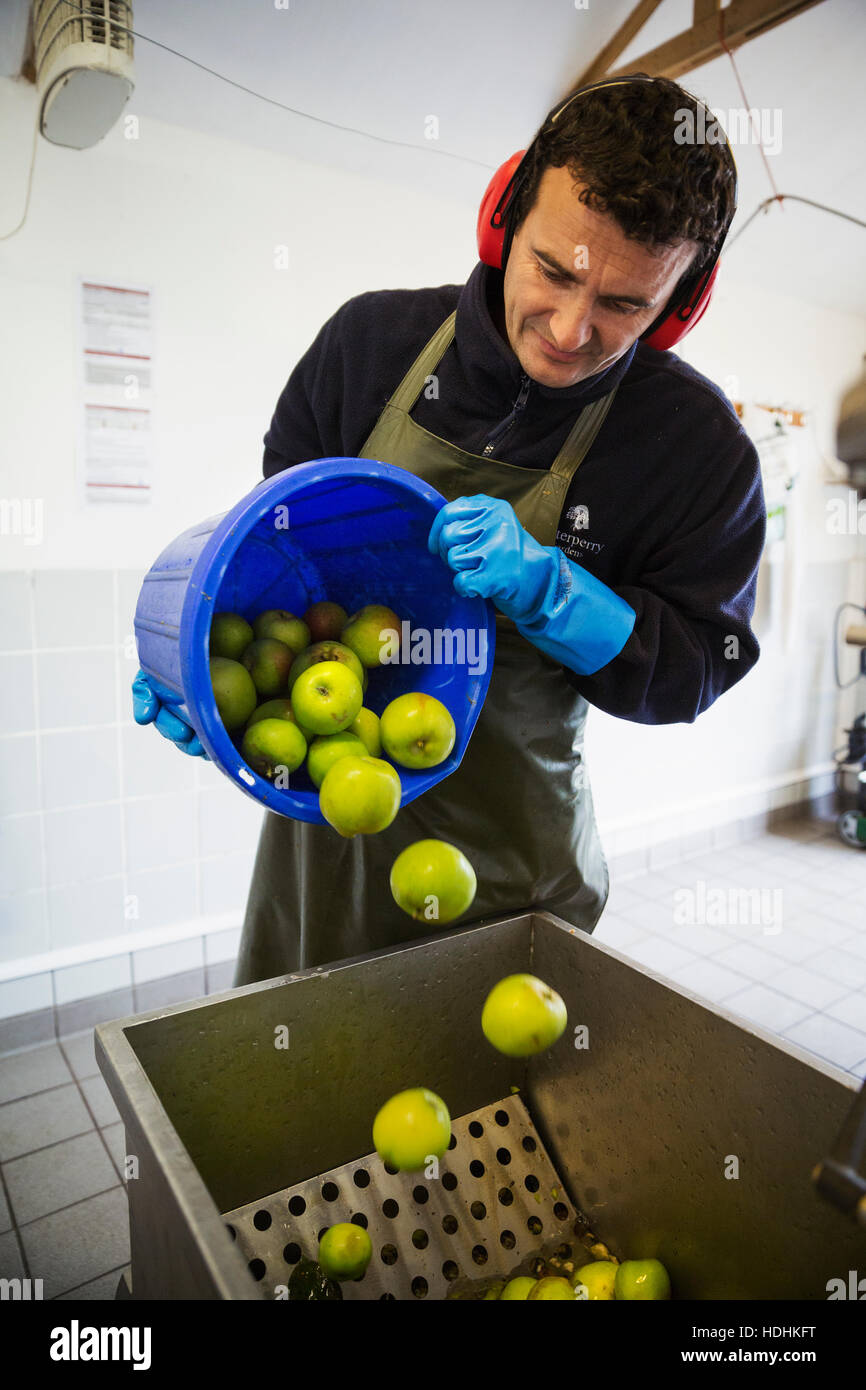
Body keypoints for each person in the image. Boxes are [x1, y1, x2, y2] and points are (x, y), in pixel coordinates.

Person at [133, 74, 766, 986]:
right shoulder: (368, 346)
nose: (570, 330)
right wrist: (199, 666)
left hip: (510, 870)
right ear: (503, 218)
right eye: (554, 271)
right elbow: (273, 552)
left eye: (625, 304)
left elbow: (695, 668)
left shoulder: (694, 447)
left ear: (681, 302)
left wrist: (553, 592)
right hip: (326, 832)